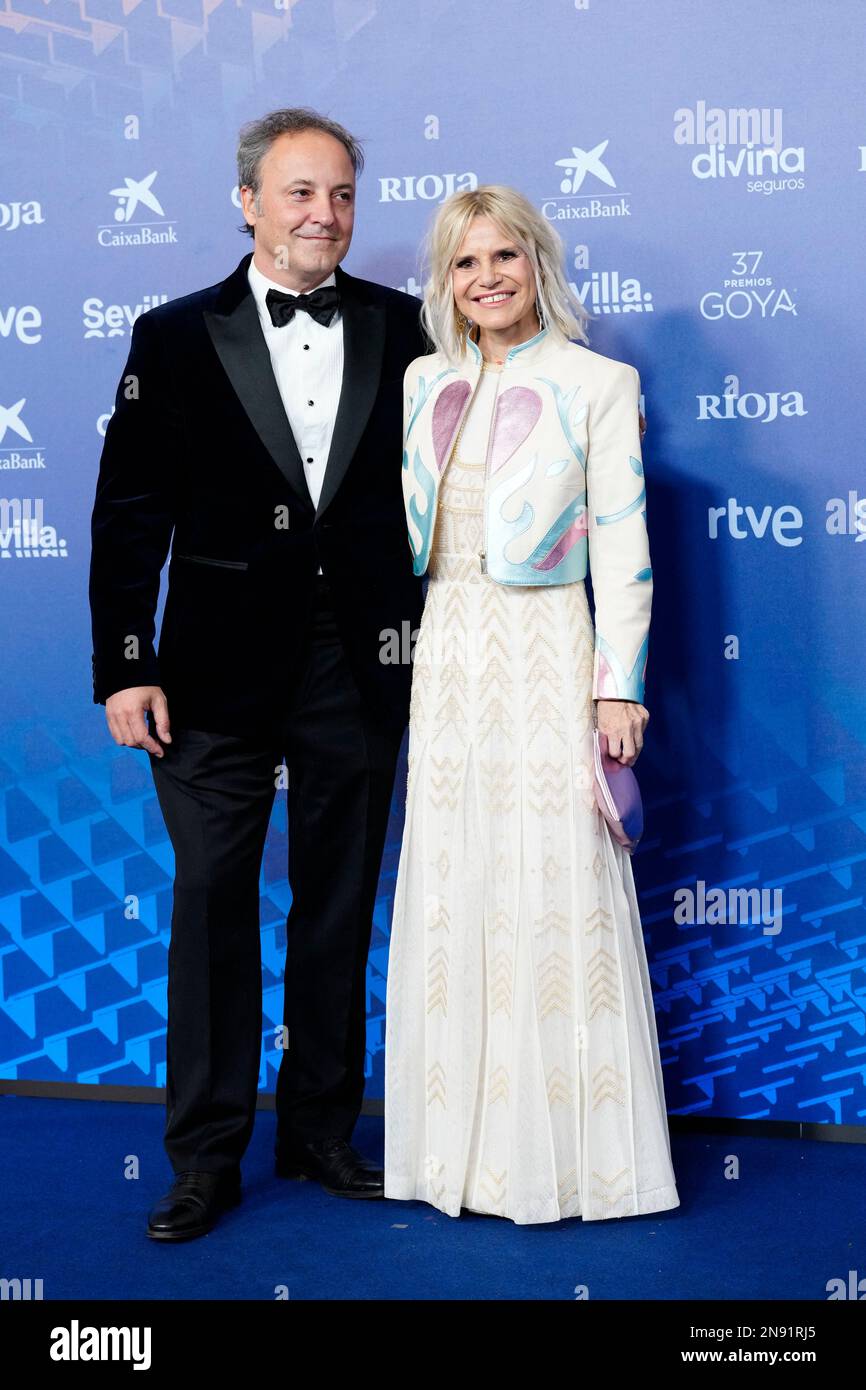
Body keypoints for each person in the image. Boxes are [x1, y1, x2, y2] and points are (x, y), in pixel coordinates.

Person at [89, 107, 426, 1240]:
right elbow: (129, 515)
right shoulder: (173, 335)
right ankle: (204, 1157)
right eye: (297, 192)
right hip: (210, 673)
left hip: (360, 664)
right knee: (210, 905)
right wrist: (124, 663)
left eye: (339, 195)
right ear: (246, 201)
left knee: (337, 905)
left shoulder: (406, 326)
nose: (322, 215)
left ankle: (323, 1130)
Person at [384, 185, 680, 1225]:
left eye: (503, 256)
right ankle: (453, 1158)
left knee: (552, 879)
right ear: (445, 281)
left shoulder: (598, 382)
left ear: (536, 261)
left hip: (548, 645)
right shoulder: (423, 380)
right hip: (451, 651)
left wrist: (615, 688)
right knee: (457, 876)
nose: (486, 279)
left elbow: (625, 545)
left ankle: (572, 1164)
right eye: (464, 264)